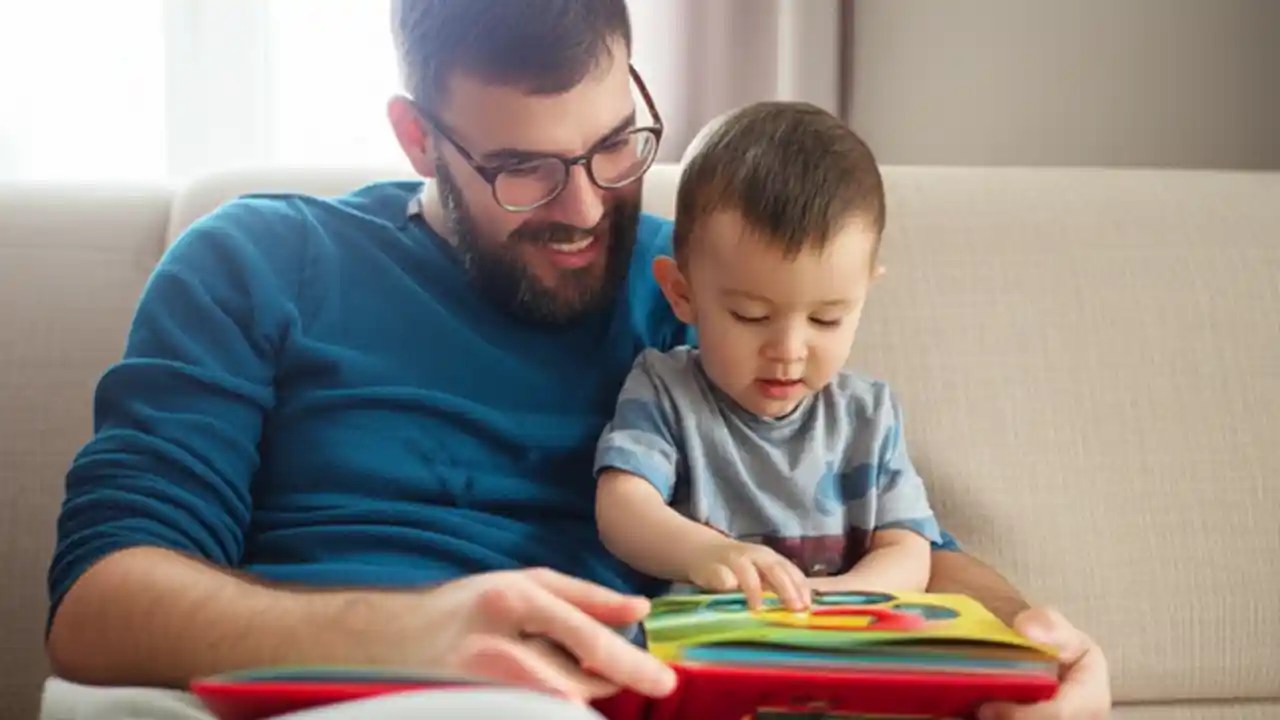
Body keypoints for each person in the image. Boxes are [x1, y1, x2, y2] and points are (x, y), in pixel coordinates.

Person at [43, 1, 1110, 718]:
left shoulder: (701, 286)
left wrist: (1034, 642)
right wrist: (423, 633)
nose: (584, 207)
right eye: (520, 169)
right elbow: (97, 609)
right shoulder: (258, 261)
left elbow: (902, 543)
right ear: (418, 140)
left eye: (612, 146)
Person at [595, 102, 935, 612]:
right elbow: (622, 507)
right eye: (751, 315)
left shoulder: (869, 415)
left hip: (839, 649)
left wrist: (828, 599)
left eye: (826, 319)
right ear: (682, 294)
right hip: (711, 652)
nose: (789, 351)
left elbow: (908, 549)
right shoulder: (666, 390)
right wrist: (708, 552)